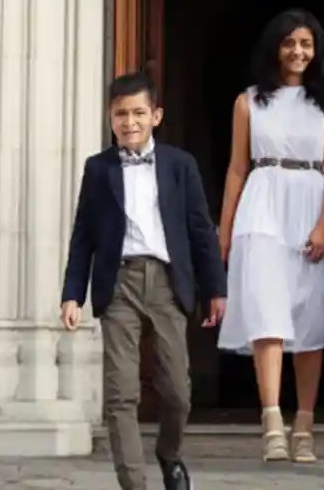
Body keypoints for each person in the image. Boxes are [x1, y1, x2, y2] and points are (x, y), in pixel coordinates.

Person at [59, 72, 227, 490]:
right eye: (120, 114)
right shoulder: (97, 169)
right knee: (122, 393)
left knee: (177, 391)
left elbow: (200, 229)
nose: (129, 122)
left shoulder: (179, 165)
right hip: (118, 283)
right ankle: (134, 484)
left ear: (156, 115)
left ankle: (169, 454)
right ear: (109, 118)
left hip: (167, 281)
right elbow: (84, 234)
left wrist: (215, 289)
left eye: (138, 113)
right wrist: (72, 294)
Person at [216, 8, 324, 463]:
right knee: (266, 313)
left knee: (310, 320)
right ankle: (272, 419)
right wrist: (224, 231)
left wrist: (323, 224)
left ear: (316, 51)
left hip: (312, 205)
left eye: (305, 44)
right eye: (288, 43)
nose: (297, 51)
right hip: (261, 207)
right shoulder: (249, 101)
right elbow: (237, 168)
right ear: (274, 48)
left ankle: (304, 423)